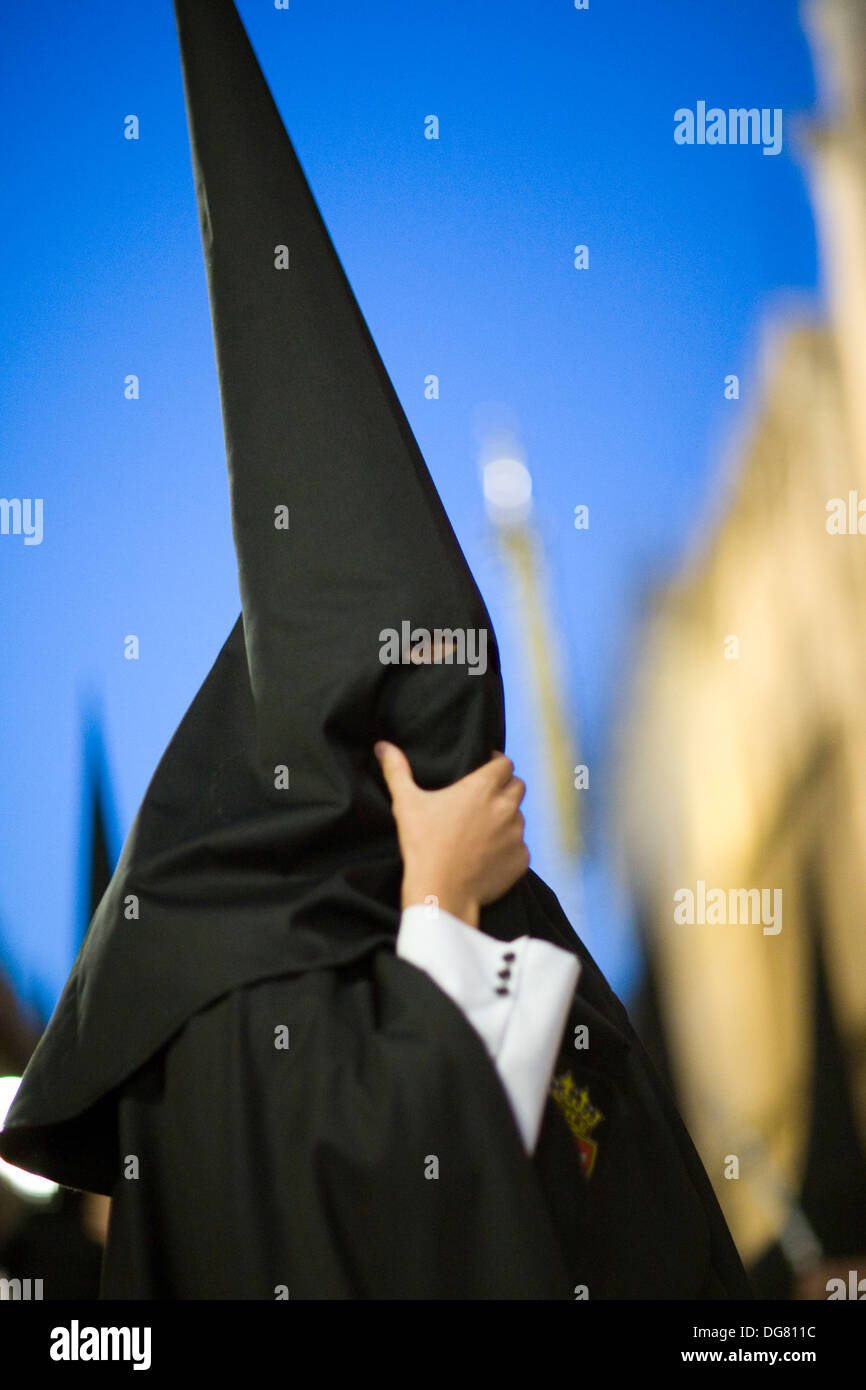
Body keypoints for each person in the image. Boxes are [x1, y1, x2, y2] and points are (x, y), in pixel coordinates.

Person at [0, 0, 753, 1300]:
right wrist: (439, 912)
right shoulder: (222, 1014)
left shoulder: (512, 935)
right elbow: (373, 1232)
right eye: (422, 712)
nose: (480, 758)